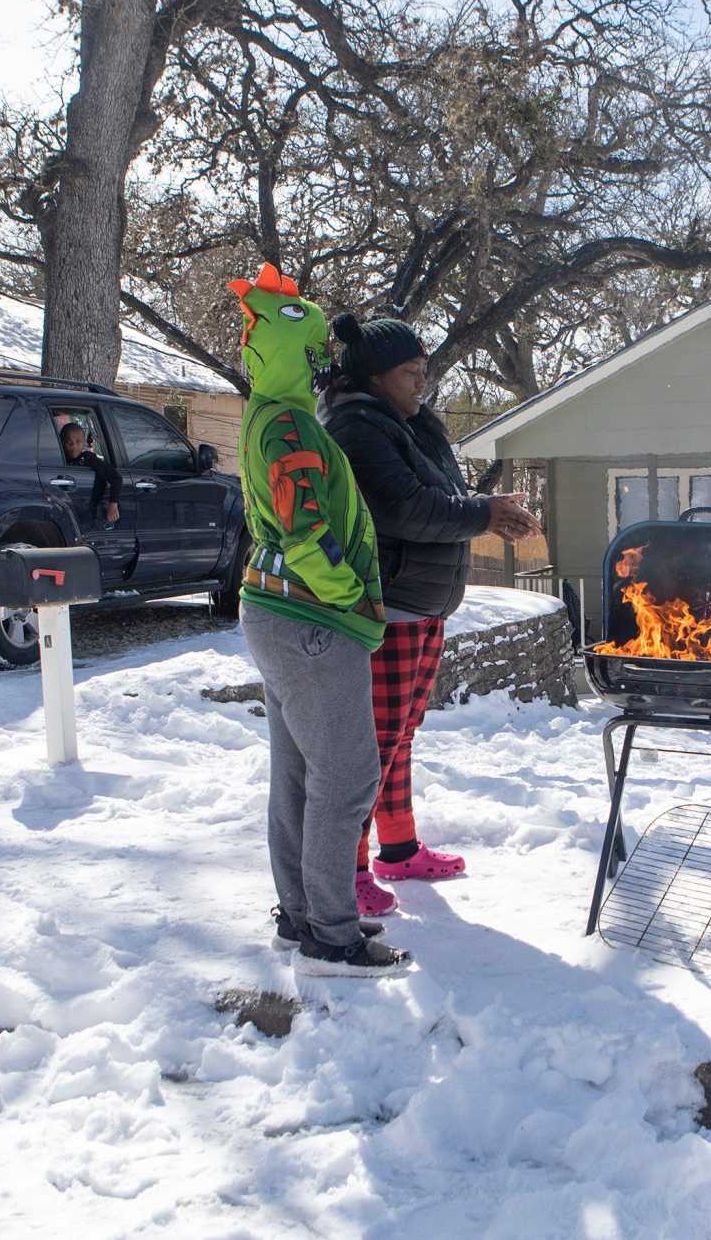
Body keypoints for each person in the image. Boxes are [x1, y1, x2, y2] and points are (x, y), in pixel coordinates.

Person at [320, 312, 540, 917]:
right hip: (385, 606)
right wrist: (483, 514)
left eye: (425, 372)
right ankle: (349, 866)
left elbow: (441, 498)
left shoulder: (407, 423)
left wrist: (485, 509)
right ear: (374, 375)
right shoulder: (356, 426)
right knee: (373, 744)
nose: (423, 383)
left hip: (421, 604)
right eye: (411, 373)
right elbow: (403, 508)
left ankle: (400, 848)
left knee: (400, 737)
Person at [228, 263, 410, 978]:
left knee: (299, 771)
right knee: (347, 774)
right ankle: (330, 938)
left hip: (275, 612)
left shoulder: (265, 415)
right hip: (309, 616)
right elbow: (306, 527)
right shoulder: (288, 425)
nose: (324, 366)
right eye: (314, 355)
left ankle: (306, 912)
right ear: (289, 354)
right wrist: (351, 597)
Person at [57, 422, 121, 531]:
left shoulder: (89, 459)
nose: (74, 446)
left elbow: (116, 478)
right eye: (69, 442)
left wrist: (113, 504)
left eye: (78, 442)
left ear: (84, 443)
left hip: (89, 512)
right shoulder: (59, 459)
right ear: (62, 443)